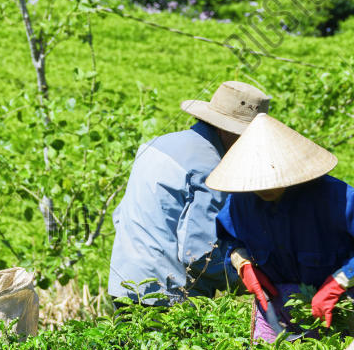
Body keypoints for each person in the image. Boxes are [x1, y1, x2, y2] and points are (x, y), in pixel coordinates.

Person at [208, 113, 354, 342]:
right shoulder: (240, 203)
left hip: (339, 305)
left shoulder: (337, 198)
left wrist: (339, 282)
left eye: (271, 178)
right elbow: (229, 239)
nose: (264, 188)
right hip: (275, 307)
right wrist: (243, 264)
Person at [108, 80, 271, 307]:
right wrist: (245, 278)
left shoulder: (155, 144)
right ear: (228, 130)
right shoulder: (211, 167)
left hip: (125, 282)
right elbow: (199, 253)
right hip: (166, 296)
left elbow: (120, 215)